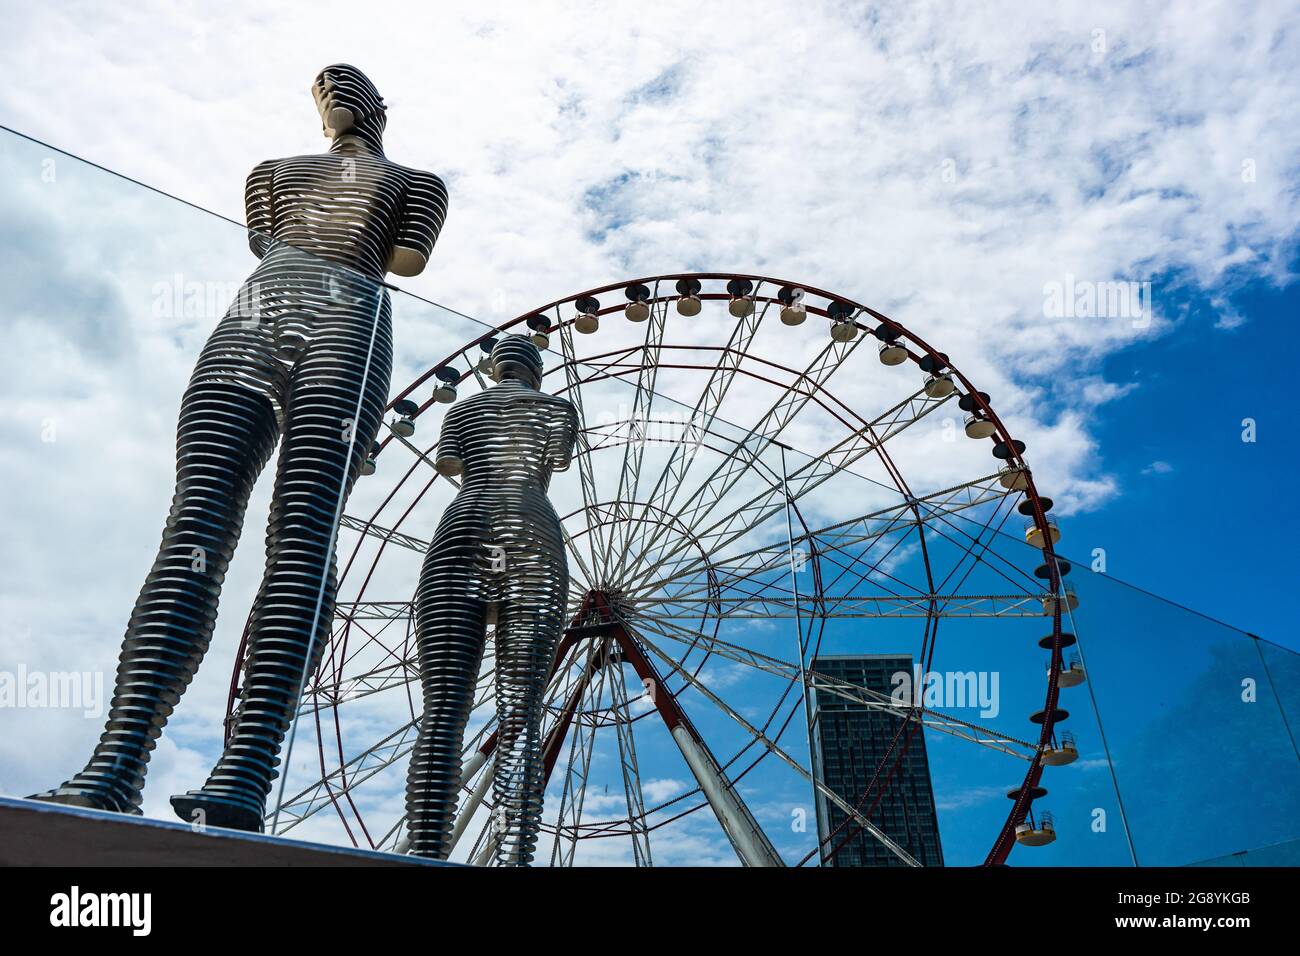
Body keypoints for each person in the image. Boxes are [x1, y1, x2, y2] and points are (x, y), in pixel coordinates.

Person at [32, 65, 448, 832]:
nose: (333, 101)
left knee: (301, 532)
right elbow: (295, 245)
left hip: (348, 319)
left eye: (346, 89)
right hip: (278, 306)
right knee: (199, 526)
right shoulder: (273, 173)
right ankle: (120, 760)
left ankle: (245, 768)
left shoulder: (418, 183)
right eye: (323, 93)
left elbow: (404, 260)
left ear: (380, 106)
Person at [405, 335, 577, 865]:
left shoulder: (461, 411)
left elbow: (449, 465)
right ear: (538, 371)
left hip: (463, 525)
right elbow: (558, 461)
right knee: (522, 712)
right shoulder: (557, 410)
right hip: (533, 529)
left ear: (493, 365)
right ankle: (512, 858)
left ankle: (427, 854)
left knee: (442, 709)